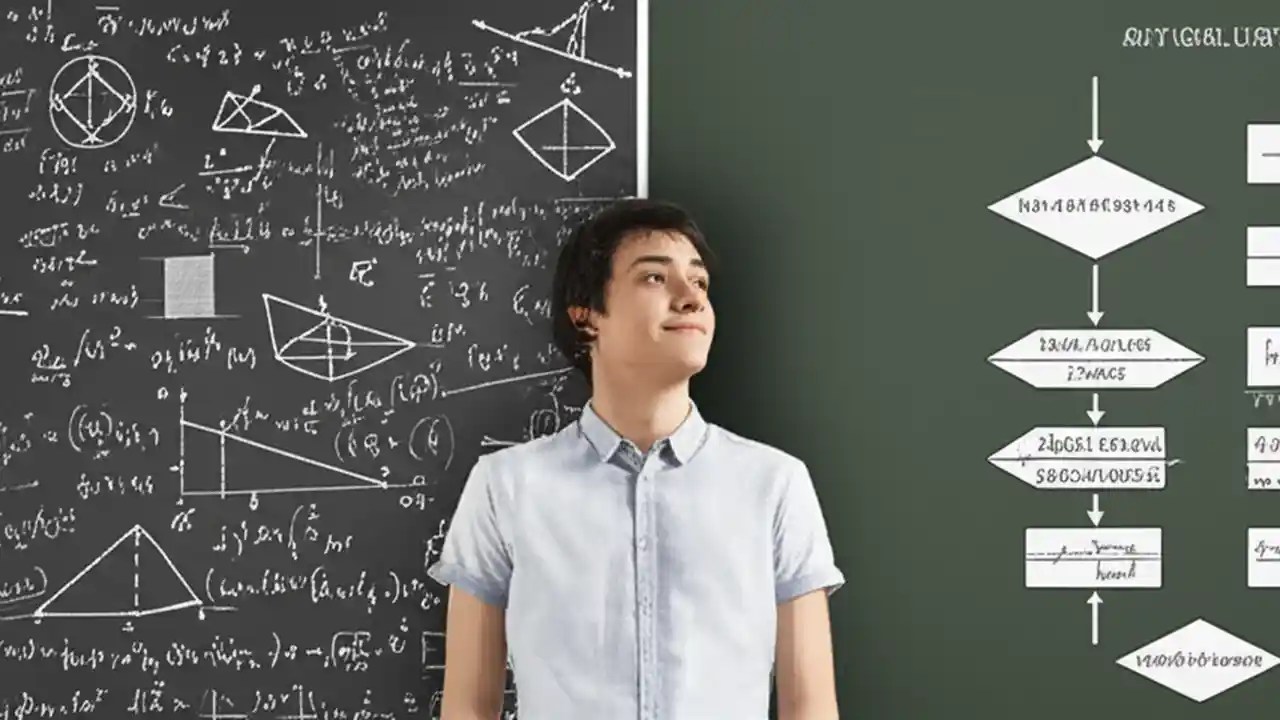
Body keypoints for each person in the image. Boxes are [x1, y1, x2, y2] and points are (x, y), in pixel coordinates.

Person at [426, 198, 844, 719]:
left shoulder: (775, 485)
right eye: (654, 278)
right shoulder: (506, 487)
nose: (691, 298)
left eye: (700, 282)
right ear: (585, 316)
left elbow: (810, 707)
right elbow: (467, 707)